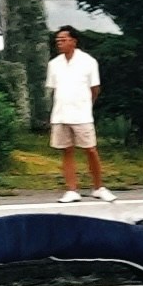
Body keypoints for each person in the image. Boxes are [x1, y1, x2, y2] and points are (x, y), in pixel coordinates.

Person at [42, 26, 104, 198]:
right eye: (58, 41)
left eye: (63, 40)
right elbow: (54, 89)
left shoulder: (88, 61)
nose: (60, 43)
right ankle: (71, 189)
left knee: (90, 149)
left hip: (82, 113)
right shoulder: (54, 64)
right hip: (61, 113)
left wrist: (86, 105)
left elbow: (95, 88)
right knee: (66, 150)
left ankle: (99, 187)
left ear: (73, 41)